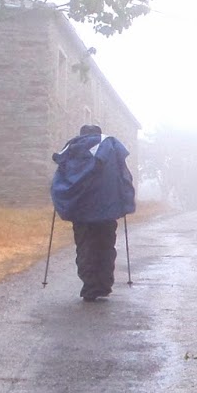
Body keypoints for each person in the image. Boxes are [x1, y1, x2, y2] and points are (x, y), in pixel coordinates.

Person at [50, 124, 136, 301]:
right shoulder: (111, 146)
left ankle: (89, 287)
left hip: (80, 209)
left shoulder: (71, 148)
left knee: (85, 246)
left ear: (82, 134)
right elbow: (124, 176)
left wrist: (61, 199)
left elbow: (61, 177)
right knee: (105, 246)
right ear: (99, 132)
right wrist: (125, 201)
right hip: (107, 208)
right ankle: (104, 285)